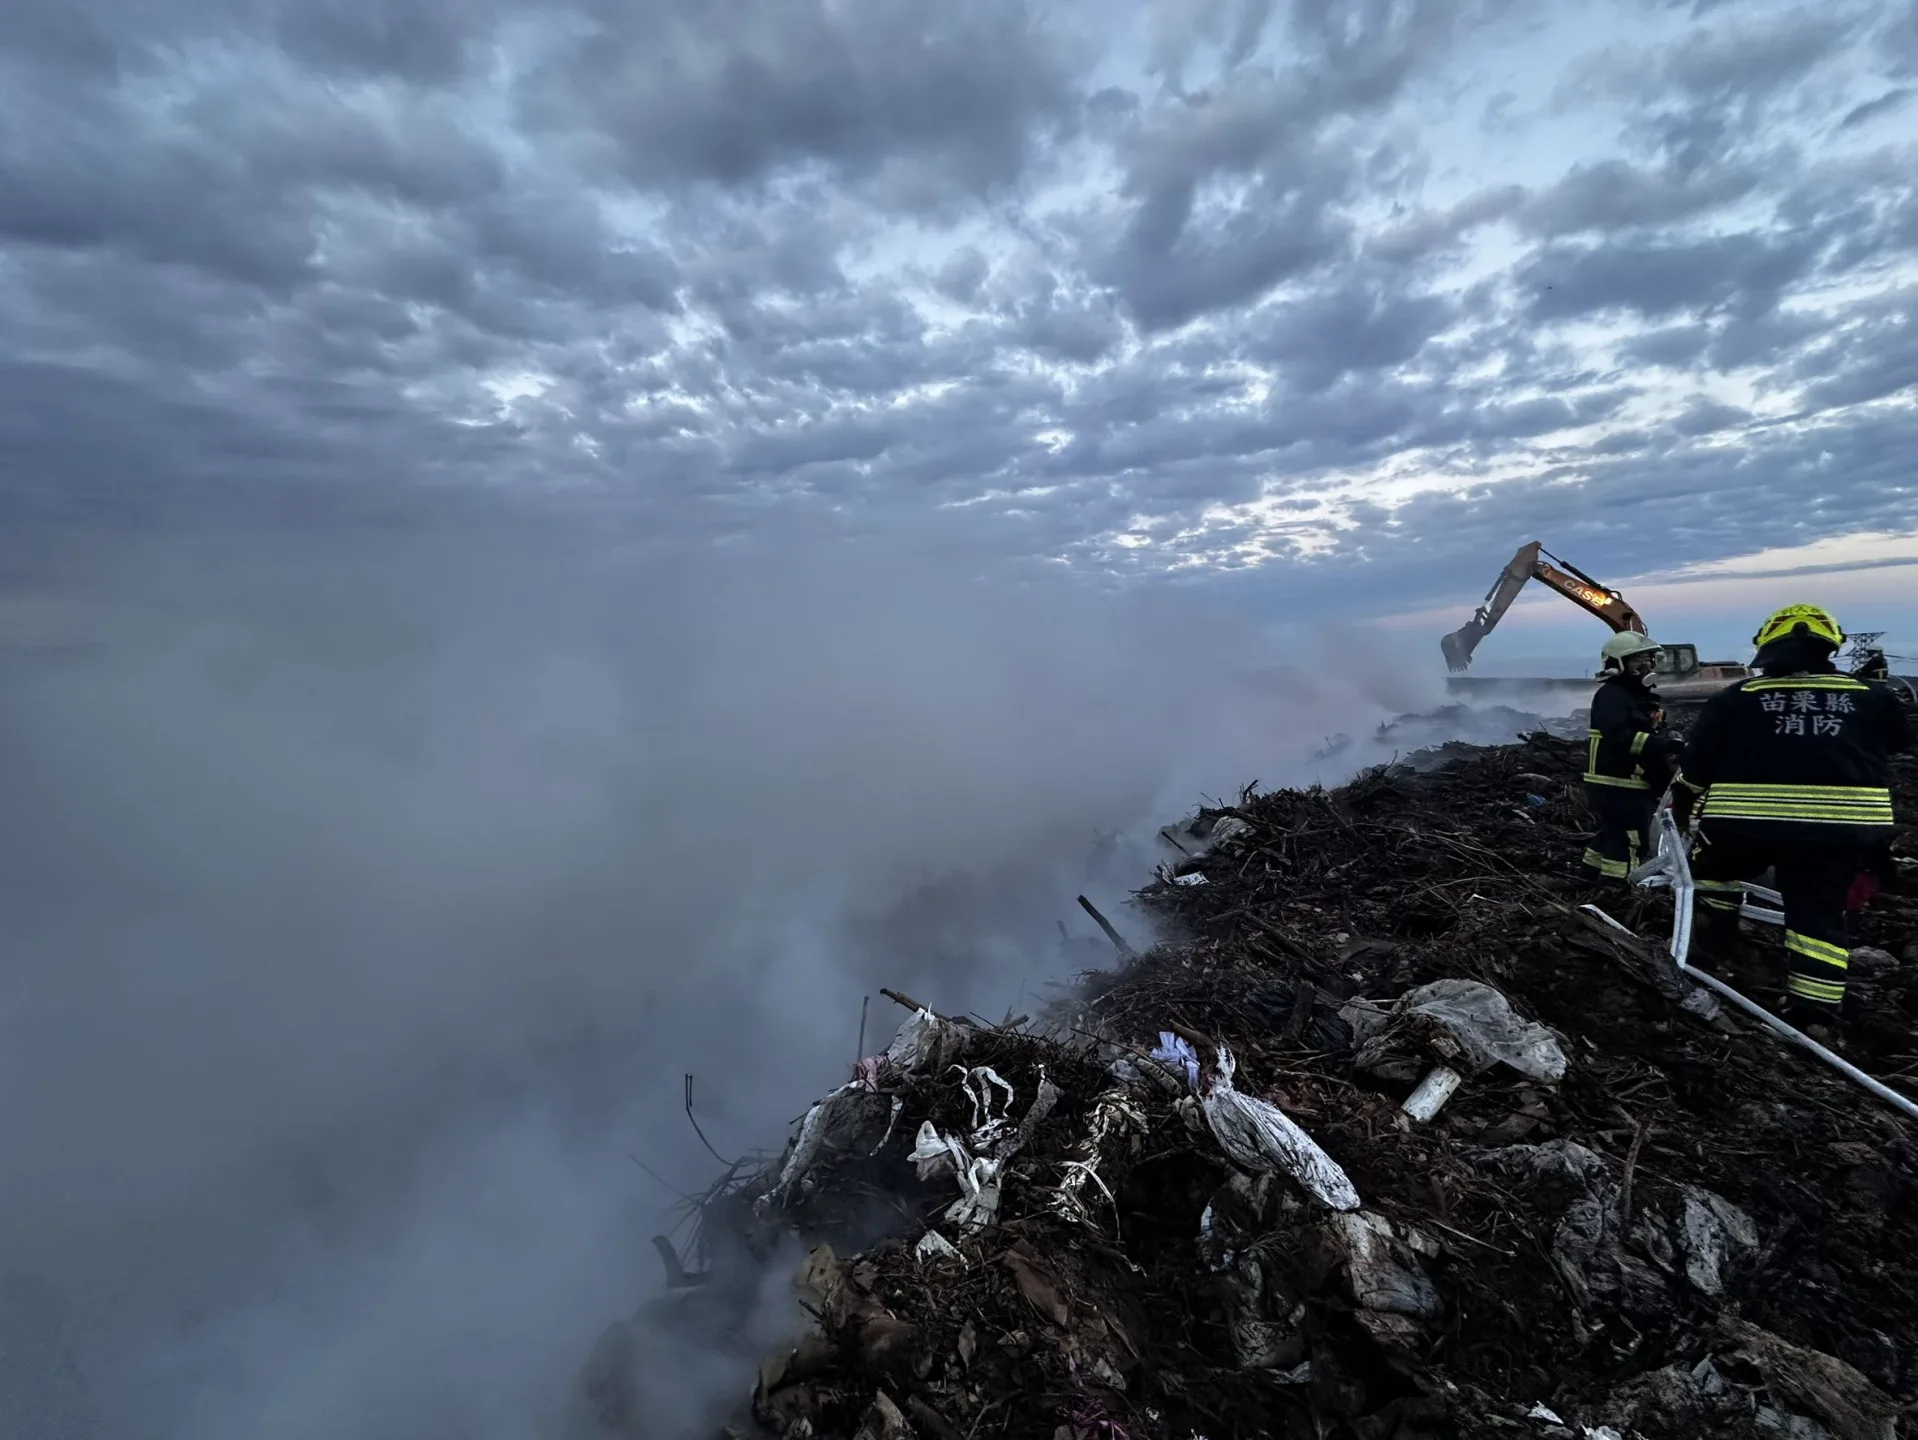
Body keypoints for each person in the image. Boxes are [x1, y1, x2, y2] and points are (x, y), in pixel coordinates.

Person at [1673, 604, 1911, 1043]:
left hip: (1742, 826)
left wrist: (1683, 805)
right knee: (1817, 913)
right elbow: (1897, 743)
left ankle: (1711, 952)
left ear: (1767, 647)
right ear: (1830, 645)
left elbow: (1696, 764)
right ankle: (1814, 1011)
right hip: (1839, 832)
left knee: (1713, 878)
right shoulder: (1873, 697)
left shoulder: (1736, 698)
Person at [1581, 632, 1683, 885]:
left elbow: (1644, 741)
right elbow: (1621, 739)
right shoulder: (1612, 695)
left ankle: (1588, 877)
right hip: (1617, 783)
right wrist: (1669, 745)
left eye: (1649, 659)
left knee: (1611, 834)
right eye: (1637, 660)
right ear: (1618, 663)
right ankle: (1619, 886)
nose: (1646, 665)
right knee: (1630, 839)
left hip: (1624, 782)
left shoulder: (1636, 696)